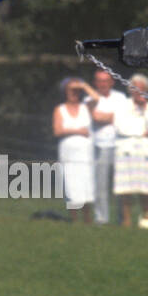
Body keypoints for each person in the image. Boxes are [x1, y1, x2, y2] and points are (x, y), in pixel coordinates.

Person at [113, 75, 148, 228]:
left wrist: (144, 108)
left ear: (146, 90)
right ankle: (126, 220)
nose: (137, 92)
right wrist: (140, 132)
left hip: (146, 150)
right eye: (134, 88)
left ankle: (145, 218)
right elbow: (120, 127)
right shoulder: (122, 106)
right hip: (126, 148)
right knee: (125, 187)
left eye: (141, 89)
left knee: (146, 186)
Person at [86, 68, 128, 225]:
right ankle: (101, 219)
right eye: (99, 80)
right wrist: (111, 116)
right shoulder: (89, 99)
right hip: (100, 145)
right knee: (101, 185)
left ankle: (124, 219)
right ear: (95, 83)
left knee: (122, 185)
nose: (103, 84)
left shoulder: (121, 98)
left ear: (112, 82)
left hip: (120, 145)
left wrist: (107, 117)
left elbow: (123, 118)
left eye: (106, 80)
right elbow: (95, 119)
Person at [53, 77, 95, 223]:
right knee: (71, 183)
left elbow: (96, 98)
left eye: (77, 91)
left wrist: (83, 85)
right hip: (68, 153)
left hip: (85, 153)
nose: (74, 93)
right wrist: (78, 131)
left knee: (86, 182)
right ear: (65, 92)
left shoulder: (86, 107)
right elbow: (58, 131)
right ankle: (74, 219)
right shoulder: (60, 109)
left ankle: (88, 219)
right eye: (71, 90)